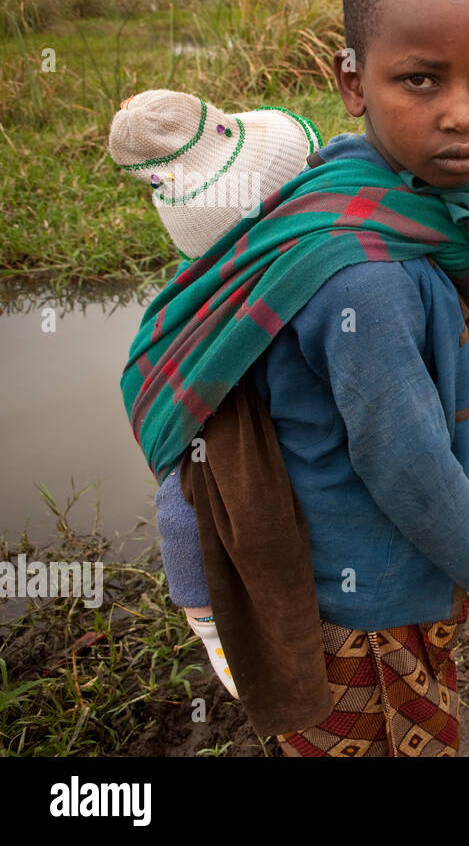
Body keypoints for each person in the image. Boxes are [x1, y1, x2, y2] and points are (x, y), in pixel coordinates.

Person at [120, 0, 469, 756]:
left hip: (399, 576)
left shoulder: (417, 200)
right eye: (420, 79)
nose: (464, 110)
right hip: (347, 600)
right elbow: (407, 465)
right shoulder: (368, 277)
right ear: (352, 83)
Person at [110, 89, 325, 698]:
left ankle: (212, 621)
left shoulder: (304, 246)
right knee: (191, 493)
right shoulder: (223, 294)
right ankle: (209, 624)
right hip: (224, 424)